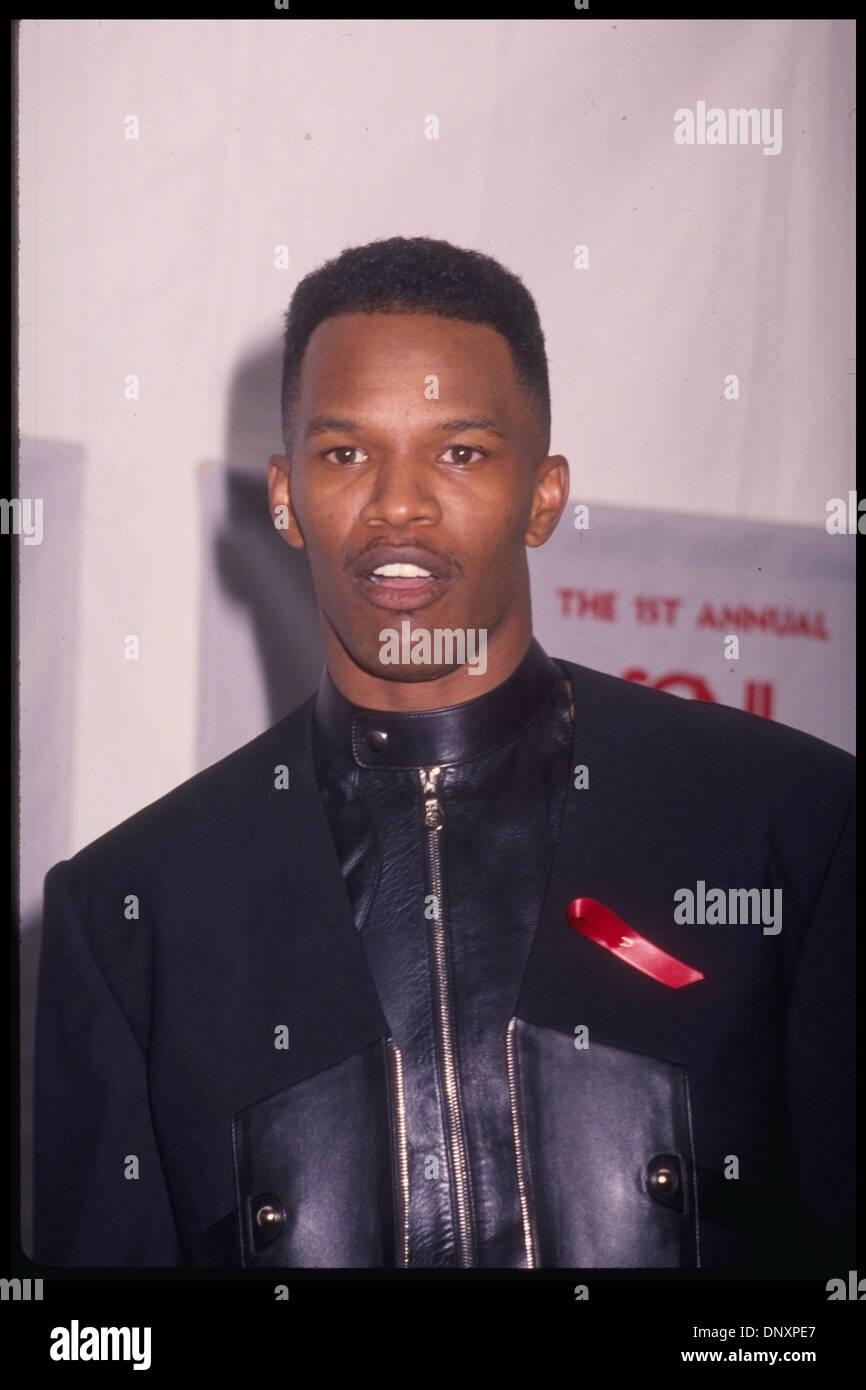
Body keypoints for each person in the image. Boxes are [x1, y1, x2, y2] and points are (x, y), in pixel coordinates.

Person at [33, 236, 854, 1272]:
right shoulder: (129, 914)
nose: (398, 504)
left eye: (457, 450)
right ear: (284, 497)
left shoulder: (791, 830)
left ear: (543, 495)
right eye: (345, 453)